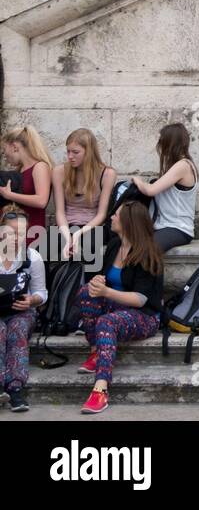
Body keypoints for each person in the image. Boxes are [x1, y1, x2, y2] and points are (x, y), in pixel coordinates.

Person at [75, 200, 164, 415]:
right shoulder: (115, 244)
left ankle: (100, 389)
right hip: (116, 305)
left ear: (128, 222)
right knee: (85, 292)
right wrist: (98, 283)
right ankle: (96, 351)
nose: (112, 217)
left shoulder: (147, 252)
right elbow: (107, 279)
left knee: (107, 322)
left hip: (144, 315)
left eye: (116, 215)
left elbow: (141, 299)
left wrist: (106, 292)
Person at [0, 209, 47, 412]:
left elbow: (41, 293)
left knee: (17, 328)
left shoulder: (32, 257)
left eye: (21, 232)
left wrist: (31, 300)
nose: (16, 237)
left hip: (21, 312)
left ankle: (15, 388)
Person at [129, 123, 198, 253]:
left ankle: (151, 274)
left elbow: (151, 190)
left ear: (169, 143)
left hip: (178, 229)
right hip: (164, 227)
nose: (160, 146)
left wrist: (137, 181)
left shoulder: (183, 165)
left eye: (161, 141)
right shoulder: (175, 166)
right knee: (125, 243)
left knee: (147, 251)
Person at [53, 129, 116, 267]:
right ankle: (50, 288)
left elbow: (101, 214)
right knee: (44, 248)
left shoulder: (107, 174)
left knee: (88, 250)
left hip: (92, 226)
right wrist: (67, 236)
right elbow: (60, 211)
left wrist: (78, 234)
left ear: (89, 152)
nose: (70, 156)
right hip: (65, 226)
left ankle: (88, 287)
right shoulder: (59, 171)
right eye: (68, 151)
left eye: (75, 152)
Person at [0, 126, 54, 247]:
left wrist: (9, 195)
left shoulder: (40, 166)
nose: (5, 157)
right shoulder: (19, 170)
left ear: (14, 147)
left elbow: (41, 201)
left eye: (4, 151)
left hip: (32, 232)